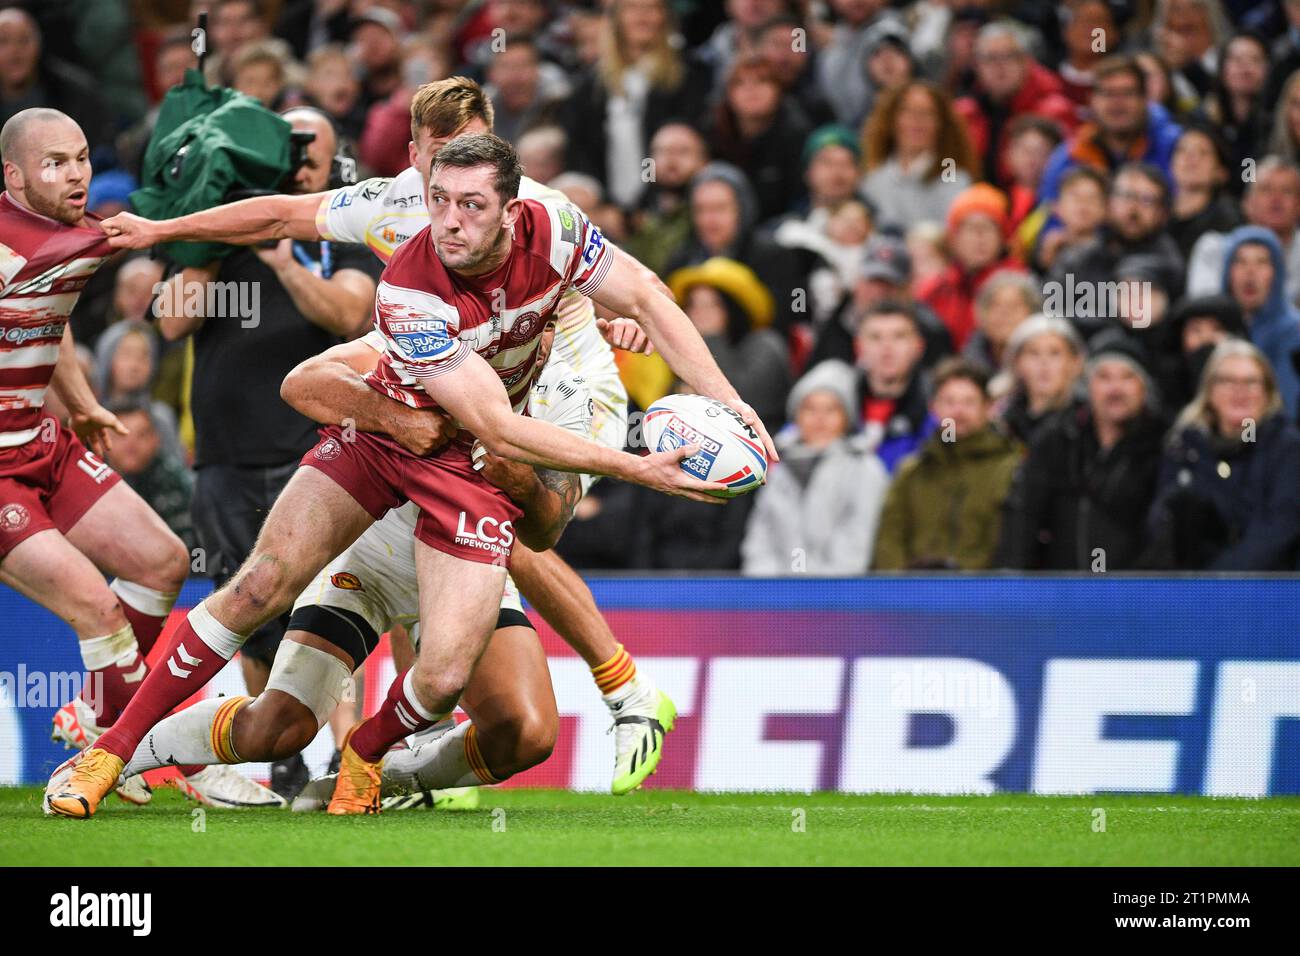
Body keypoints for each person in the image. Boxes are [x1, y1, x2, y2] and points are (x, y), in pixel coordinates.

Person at [51, 132, 774, 820]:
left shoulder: (557, 230)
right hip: (387, 452)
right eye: (438, 199)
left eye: (471, 205)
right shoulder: (408, 290)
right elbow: (468, 418)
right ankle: (112, 750)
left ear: (513, 209)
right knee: (261, 592)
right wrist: (637, 468)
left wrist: (729, 402)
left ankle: (368, 753)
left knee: (454, 683)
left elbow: (645, 296)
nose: (449, 223)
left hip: (467, 478)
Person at [0, 107, 273, 811]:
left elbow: (46, 316)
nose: (75, 173)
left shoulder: (59, 241)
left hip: (42, 441)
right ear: (14, 177)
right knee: (99, 611)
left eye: (82, 156)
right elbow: (52, 266)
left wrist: (83, 400)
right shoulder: (24, 243)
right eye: (54, 162)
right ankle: (165, 753)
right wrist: (164, 216)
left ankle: (93, 714)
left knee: (162, 560)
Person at [151, 107, 382, 801]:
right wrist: (213, 235)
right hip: (224, 458)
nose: (301, 163)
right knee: (250, 615)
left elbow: (349, 314)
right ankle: (282, 754)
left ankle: (346, 751)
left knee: (332, 606)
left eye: (316, 152)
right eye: (290, 149)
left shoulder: (344, 232)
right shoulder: (220, 230)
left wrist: (283, 255)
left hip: (320, 456)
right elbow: (171, 319)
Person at [996, 333, 1166, 570]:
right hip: (1061, 594)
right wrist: (1012, 582)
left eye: (1128, 377)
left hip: (1135, 595)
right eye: (1104, 377)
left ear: (1144, 388)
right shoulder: (1057, 439)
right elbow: (1024, 517)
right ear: (1088, 385)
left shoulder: (1164, 445)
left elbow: (1165, 535)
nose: (1115, 389)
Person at [1146, 339, 1300, 569]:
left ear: (1267, 393)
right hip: (1190, 589)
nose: (1239, 391)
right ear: (1209, 391)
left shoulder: (1287, 447)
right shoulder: (1184, 446)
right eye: (1227, 380)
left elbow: (1279, 527)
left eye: (1250, 381)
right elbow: (1161, 522)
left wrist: (1219, 582)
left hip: (1269, 590)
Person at [872, 358, 1022, 570]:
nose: (958, 412)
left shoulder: (1011, 469)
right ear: (934, 408)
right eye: (949, 402)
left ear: (988, 407)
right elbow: (890, 537)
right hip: (911, 595)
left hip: (982, 596)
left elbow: (1006, 543)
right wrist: (901, 589)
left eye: (969, 402)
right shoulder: (911, 471)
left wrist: (962, 586)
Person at [741, 360, 888, 575]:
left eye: (831, 409)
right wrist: (768, 591)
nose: (820, 418)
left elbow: (856, 544)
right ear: (796, 415)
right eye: (810, 408)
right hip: (777, 601)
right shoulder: (777, 470)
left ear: (846, 418)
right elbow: (760, 540)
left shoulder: (866, 469)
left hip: (838, 599)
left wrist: (815, 593)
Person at [1047, 162, 1185, 334]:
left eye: (1147, 200)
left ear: (1163, 213)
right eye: (1126, 196)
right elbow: (1051, 311)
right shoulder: (1081, 255)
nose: (1133, 209)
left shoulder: (1167, 260)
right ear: (1109, 203)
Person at [1037, 55, 1183, 206]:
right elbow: (1048, 218)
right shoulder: (1069, 157)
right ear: (1091, 100)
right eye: (1108, 93)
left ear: (1145, 99)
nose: (1117, 103)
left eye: (1127, 93)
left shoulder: (1175, 147)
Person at [666, 257, 791, 430]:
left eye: (712, 305)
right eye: (693, 305)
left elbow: (746, 403)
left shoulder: (766, 343)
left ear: (733, 308)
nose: (700, 314)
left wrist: (712, 338)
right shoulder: (683, 353)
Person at [953, 21, 1079, 190]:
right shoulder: (964, 113)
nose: (999, 66)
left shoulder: (1054, 111)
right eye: (989, 58)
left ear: (1026, 61)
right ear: (977, 66)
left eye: (1008, 56)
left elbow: (1068, 175)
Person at [916, 183, 1024, 350]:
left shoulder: (1022, 287)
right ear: (954, 238)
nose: (979, 237)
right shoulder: (935, 290)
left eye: (988, 228)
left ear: (1003, 237)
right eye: (970, 228)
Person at [859, 81, 976, 231]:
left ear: (941, 123)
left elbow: (953, 228)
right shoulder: (874, 176)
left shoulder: (950, 170)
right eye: (908, 111)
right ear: (891, 120)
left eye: (927, 113)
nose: (917, 120)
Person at [1218, 226, 1300, 417]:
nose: (1250, 271)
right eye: (1240, 261)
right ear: (1227, 272)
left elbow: (1288, 406)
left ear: (1277, 273)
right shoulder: (1210, 328)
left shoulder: (1294, 331)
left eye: (1261, 262)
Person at [850, 300, 935, 473]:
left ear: (918, 346)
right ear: (859, 347)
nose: (887, 347)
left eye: (899, 336)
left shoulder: (938, 410)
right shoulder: (834, 402)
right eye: (875, 337)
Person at [101, 399, 195, 552]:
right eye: (120, 435)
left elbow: (187, 550)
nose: (131, 444)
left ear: (156, 439)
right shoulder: (90, 480)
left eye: (141, 435)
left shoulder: (177, 483)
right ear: (101, 440)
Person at [993, 315, 1087, 445]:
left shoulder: (1090, 423)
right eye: (1033, 353)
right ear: (1017, 363)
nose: (1044, 362)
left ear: (1075, 363)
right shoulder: (1000, 423)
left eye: (1055, 353)